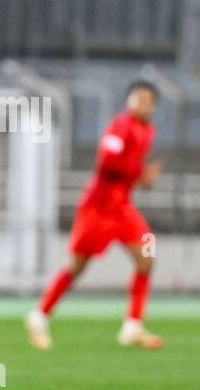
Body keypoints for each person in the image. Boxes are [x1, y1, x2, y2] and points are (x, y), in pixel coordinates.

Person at [27, 80, 164, 350]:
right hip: (98, 208)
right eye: (139, 99)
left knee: (147, 256)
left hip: (123, 208)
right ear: (129, 102)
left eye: (148, 101)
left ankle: (132, 326)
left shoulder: (147, 131)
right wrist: (139, 174)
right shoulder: (120, 126)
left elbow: (127, 170)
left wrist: (140, 179)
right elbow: (106, 163)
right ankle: (39, 315)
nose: (143, 105)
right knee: (77, 267)